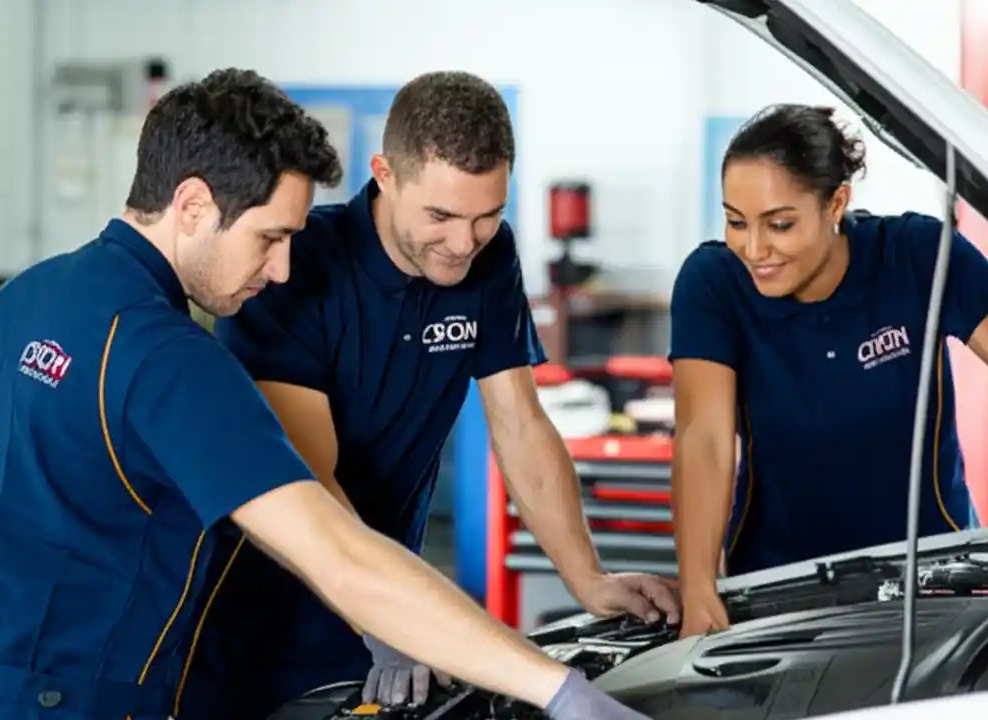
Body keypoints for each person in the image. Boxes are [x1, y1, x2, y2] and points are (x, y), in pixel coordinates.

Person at [0, 68, 647, 720]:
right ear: (192, 205)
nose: (283, 269)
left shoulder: (17, 301)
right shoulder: (171, 360)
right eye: (268, 237)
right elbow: (337, 555)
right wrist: (555, 689)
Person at [174, 70, 681, 719]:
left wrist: (588, 578)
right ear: (385, 173)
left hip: (396, 611)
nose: (463, 242)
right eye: (440, 215)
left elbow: (520, 426)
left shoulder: (486, 259)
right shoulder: (296, 267)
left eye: (487, 216)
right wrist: (385, 621)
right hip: (260, 621)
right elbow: (304, 476)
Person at [668, 103, 988, 639]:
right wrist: (699, 584)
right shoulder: (713, 283)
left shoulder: (917, 255)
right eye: (735, 221)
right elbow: (704, 438)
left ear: (836, 202)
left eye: (780, 224)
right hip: (778, 583)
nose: (754, 248)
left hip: (932, 573)